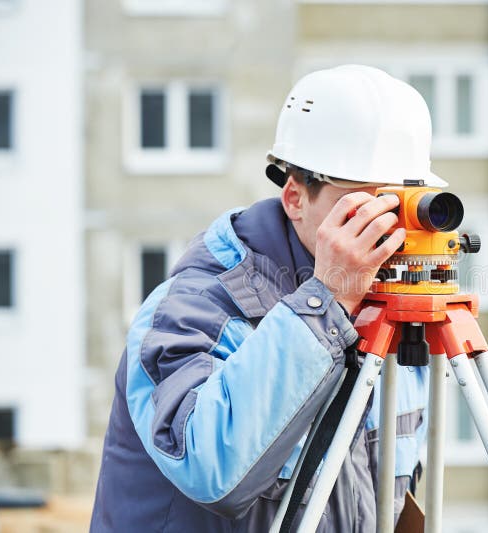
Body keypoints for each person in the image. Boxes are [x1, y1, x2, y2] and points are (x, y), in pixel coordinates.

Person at [90, 64, 449, 532]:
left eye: (401, 205)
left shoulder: (391, 314)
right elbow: (211, 470)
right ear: (295, 197)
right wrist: (325, 302)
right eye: (367, 206)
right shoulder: (191, 310)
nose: (387, 228)